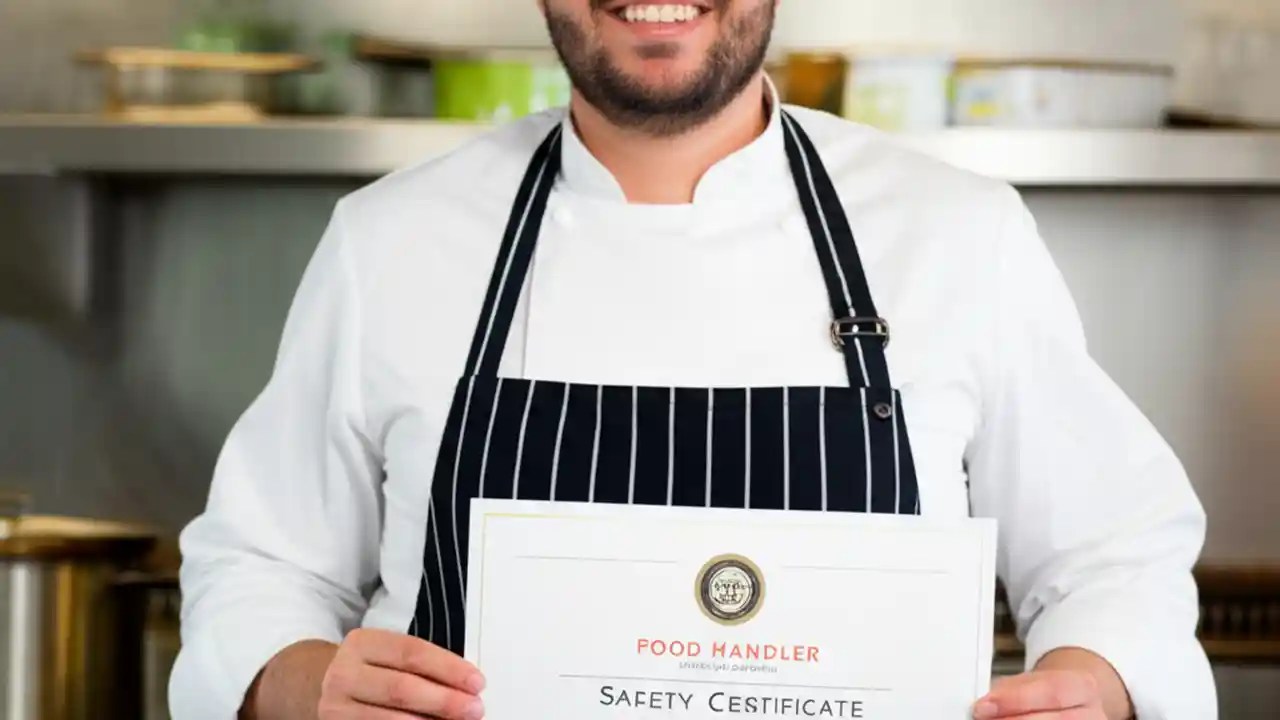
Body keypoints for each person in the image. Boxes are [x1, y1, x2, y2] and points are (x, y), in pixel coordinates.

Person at [170, 2, 1216, 719]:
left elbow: (1110, 558)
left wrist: (1095, 674)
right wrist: (302, 682)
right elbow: (259, 567)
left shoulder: (957, 236)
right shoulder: (388, 239)